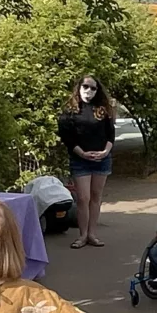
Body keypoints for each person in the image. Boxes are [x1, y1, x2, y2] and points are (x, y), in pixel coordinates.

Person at [57, 75, 117, 248]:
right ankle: (82, 235)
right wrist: (82, 154)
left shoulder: (103, 110)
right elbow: (67, 138)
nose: (89, 91)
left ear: (97, 91)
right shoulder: (70, 111)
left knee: (96, 197)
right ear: (79, 88)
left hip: (101, 159)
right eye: (85, 87)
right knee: (83, 198)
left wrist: (105, 152)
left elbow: (110, 135)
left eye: (93, 88)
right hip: (80, 160)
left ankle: (92, 234)